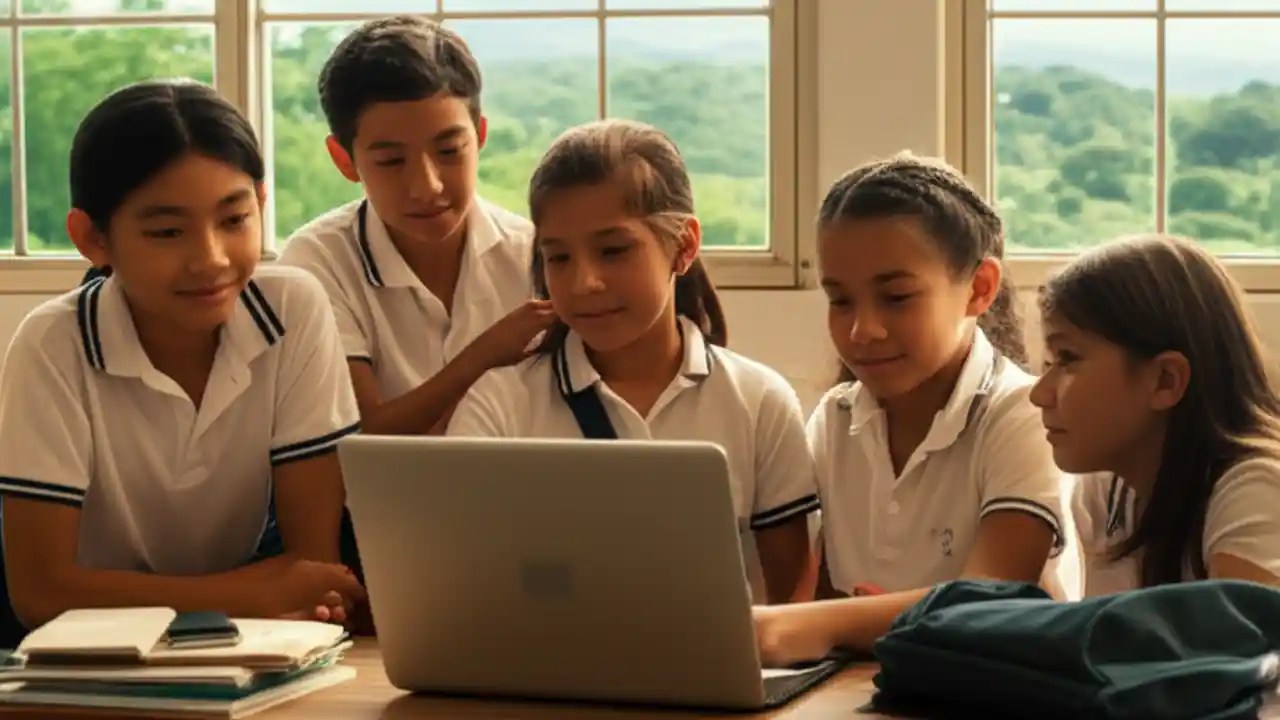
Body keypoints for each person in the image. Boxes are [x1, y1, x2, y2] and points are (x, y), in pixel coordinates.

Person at [0, 80, 365, 634]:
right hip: (83, 648)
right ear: (92, 238)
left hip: (240, 634)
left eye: (234, 220)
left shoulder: (293, 308)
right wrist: (244, 593)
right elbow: (42, 593)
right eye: (168, 231)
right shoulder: (53, 344)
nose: (210, 260)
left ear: (261, 204)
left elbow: (311, 565)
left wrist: (249, 598)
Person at [448, 119, 820, 604]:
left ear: (684, 246)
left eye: (613, 251)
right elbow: (464, 581)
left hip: (712, 675)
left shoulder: (759, 401)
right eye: (558, 258)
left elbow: (793, 602)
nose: (584, 282)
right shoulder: (499, 404)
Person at [753, 153, 1071, 664]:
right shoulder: (834, 421)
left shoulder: (1020, 413)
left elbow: (989, 600)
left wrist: (818, 625)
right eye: (839, 301)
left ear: (979, 289)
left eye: (897, 297)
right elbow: (824, 596)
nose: (862, 330)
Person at [278, 16, 555, 437]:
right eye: (391, 161)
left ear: (479, 136)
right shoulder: (318, 261)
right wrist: (486, 354)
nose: (427, 186)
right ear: (344, 160)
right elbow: (358, 438)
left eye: (449, 150)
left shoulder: (537, 251)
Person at [1033, 234, 1280, 595]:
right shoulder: (1105, 492)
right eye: (1048, 363)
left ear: (1166, 380)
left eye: (1067, 359)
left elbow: (1237, 648)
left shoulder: (1255, 488)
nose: (1039, 394)